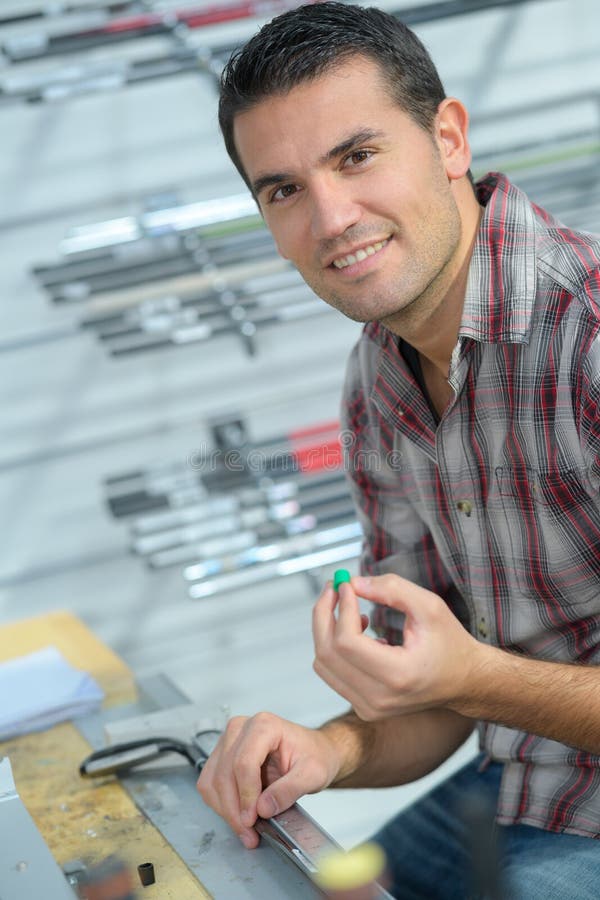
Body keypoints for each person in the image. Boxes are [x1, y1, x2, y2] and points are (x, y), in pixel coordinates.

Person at [197, 4, 600, 897]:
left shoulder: (590, 337)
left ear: (447, 139)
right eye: (284, 190)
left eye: (357, 156)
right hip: (526, 779)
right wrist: (327, 748)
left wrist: (475, 679)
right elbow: (438, 692)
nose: (332, 217)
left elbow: (467, 682)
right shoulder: (379, 381)